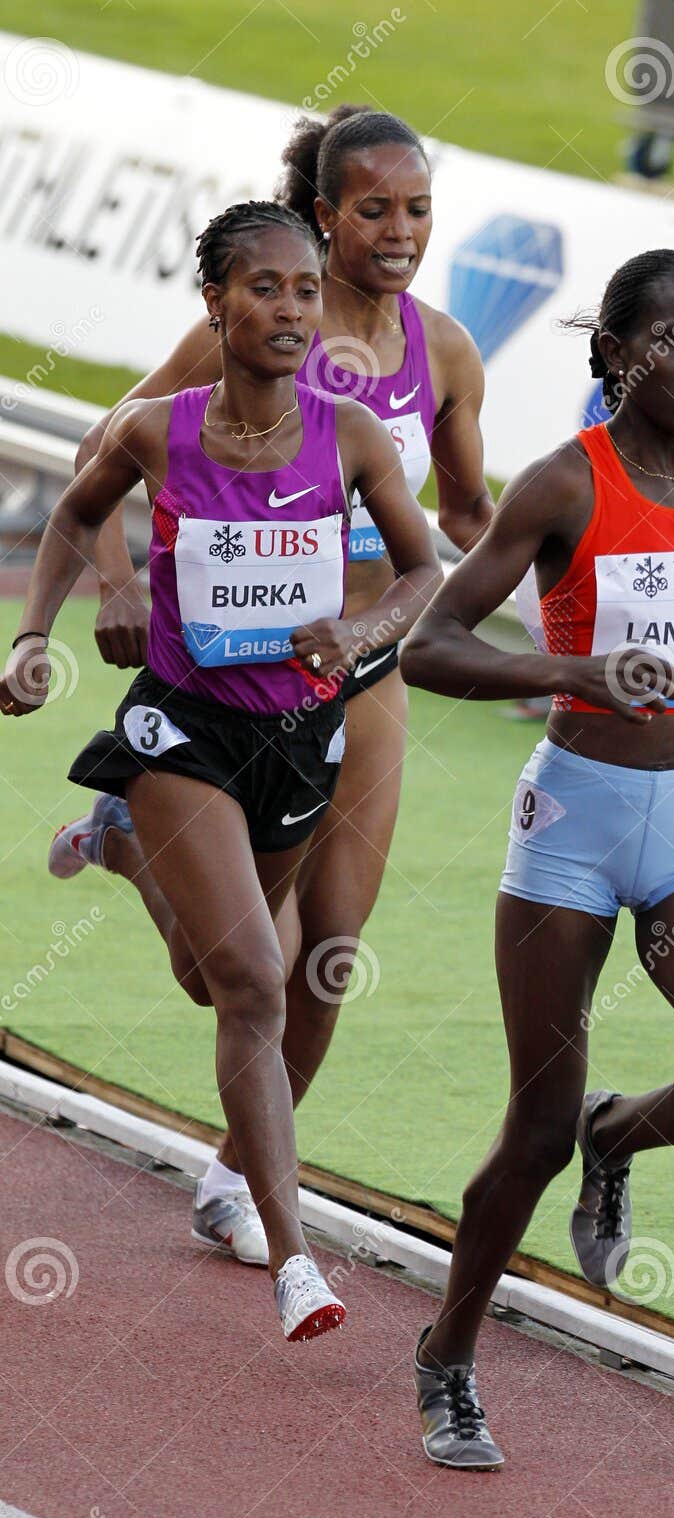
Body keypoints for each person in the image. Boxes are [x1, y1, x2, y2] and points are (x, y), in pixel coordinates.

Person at [56, 106, 493, 1259]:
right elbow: (109, 449)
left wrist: (528, 560)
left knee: (332, 950)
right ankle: (128, 830)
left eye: (417, 212)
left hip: (359, 667)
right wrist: (116, 577)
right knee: (230, 976)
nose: (398, 234)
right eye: (374, 211)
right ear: (322, 216)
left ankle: (238, 1176)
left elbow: (460, 515)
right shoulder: (258, 318)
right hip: (219, 675)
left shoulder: (442, 352)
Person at [3, 200, 442, 1340]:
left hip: (300, 732)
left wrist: (359, 637)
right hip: (181, 728)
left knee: (212, 981)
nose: (290, 309)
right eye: (264, 289)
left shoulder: (351, 439)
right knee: (254, 981)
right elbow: (70, 516)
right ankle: (296, 1256)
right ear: (216, 304)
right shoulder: (158, 428)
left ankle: (112, 842)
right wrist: (61, 618)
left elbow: (420, 572)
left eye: (304, 291)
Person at [399, 248, 674, 1468]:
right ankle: (447, 1356)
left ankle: (617, 1134)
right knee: (526, 1135)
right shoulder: (558, 489)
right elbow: (430, 646)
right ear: (616, 351)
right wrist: (567, 671)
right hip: (572, 823)